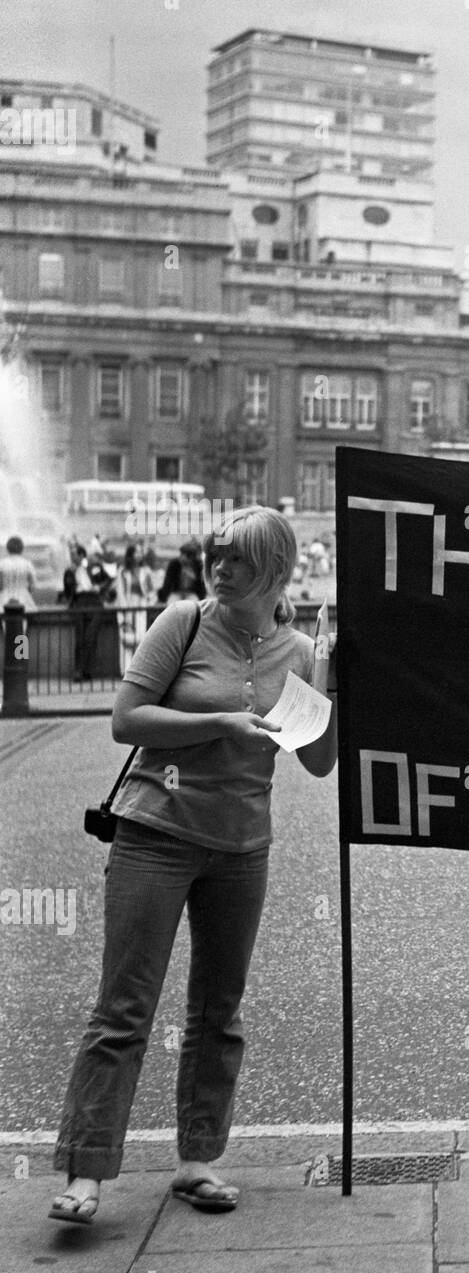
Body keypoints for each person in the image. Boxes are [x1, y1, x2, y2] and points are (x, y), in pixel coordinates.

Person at [49, 505, 338, 1225]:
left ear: (273, 570)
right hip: (155, 833)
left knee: (218, 1012)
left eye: (237, 558)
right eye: (217, 553)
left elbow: (317, 762)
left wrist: (331, 682)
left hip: (241, 847)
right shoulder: (183, 622)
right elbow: (126, 719)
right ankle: (86, 1171)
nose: (219, 567)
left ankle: (198, 1161)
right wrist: (219, 723)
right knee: (124, 1008)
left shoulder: (300, 651)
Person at [61, 544, 114, 681]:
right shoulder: (70, 571)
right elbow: (67, 590)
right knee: (80, 638)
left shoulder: (94, 566)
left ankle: (87, 670)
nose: (71, 557)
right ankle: (79, 670)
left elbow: (108, 579)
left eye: (74, 554)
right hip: (79, 602)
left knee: (91, 637)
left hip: (94, 601)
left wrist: (99, 588)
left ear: (81, 555)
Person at [115, 544, 156, 672]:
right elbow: (120, 592)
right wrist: (124, 610)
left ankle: (138, 670)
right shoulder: (122, 571)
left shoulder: (146, 571)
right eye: (136, 552)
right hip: (127, 606)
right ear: (130, 555)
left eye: (140, 552)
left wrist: (149, 603)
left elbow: (151, 591)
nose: (139, 555)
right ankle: (126, 670)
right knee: (126, 639)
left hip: (141, 607)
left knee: (140, 638)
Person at [156, 539, 206, 607]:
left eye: (187, 556)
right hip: (176, 592)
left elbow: (201, 586)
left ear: (192, 557)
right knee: (173, 606)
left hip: (191, 593)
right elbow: (167, 583)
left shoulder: (198, 566)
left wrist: (194, 578)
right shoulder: (174, 564)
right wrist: (162, 598)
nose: (183, 558)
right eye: (182, 554)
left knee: (193, 606)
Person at [0, 535, 38, 610]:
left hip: (4, 597)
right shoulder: (27, 564)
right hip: (24, 597)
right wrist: (28, 592)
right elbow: (33, 584)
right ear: (21, 549)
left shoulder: (2, 564)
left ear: (8, 548)